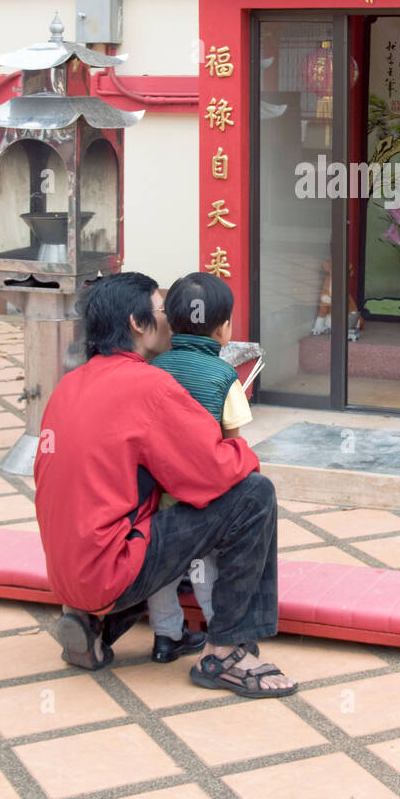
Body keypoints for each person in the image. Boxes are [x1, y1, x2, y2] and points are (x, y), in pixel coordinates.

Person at [34, 272, 296, 698]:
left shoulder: (70, 384)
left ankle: (90, 623)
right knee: (254, 495)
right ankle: (226, 652)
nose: (172, 322)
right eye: (161, 311)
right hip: (113, 568)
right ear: (138, 324)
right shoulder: (149, 386)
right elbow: (210, 472)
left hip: (67, 574)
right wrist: (244, 453)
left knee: (138, 510)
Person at [145, 272, 252, 663]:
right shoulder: (225, 376)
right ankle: (218, 635)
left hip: (160, 496)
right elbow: (233, 445)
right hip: (205, 499)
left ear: (171, 324)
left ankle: (166, 637)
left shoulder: (152, 371)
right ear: (224, 329)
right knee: (206, 566)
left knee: (165, 570)